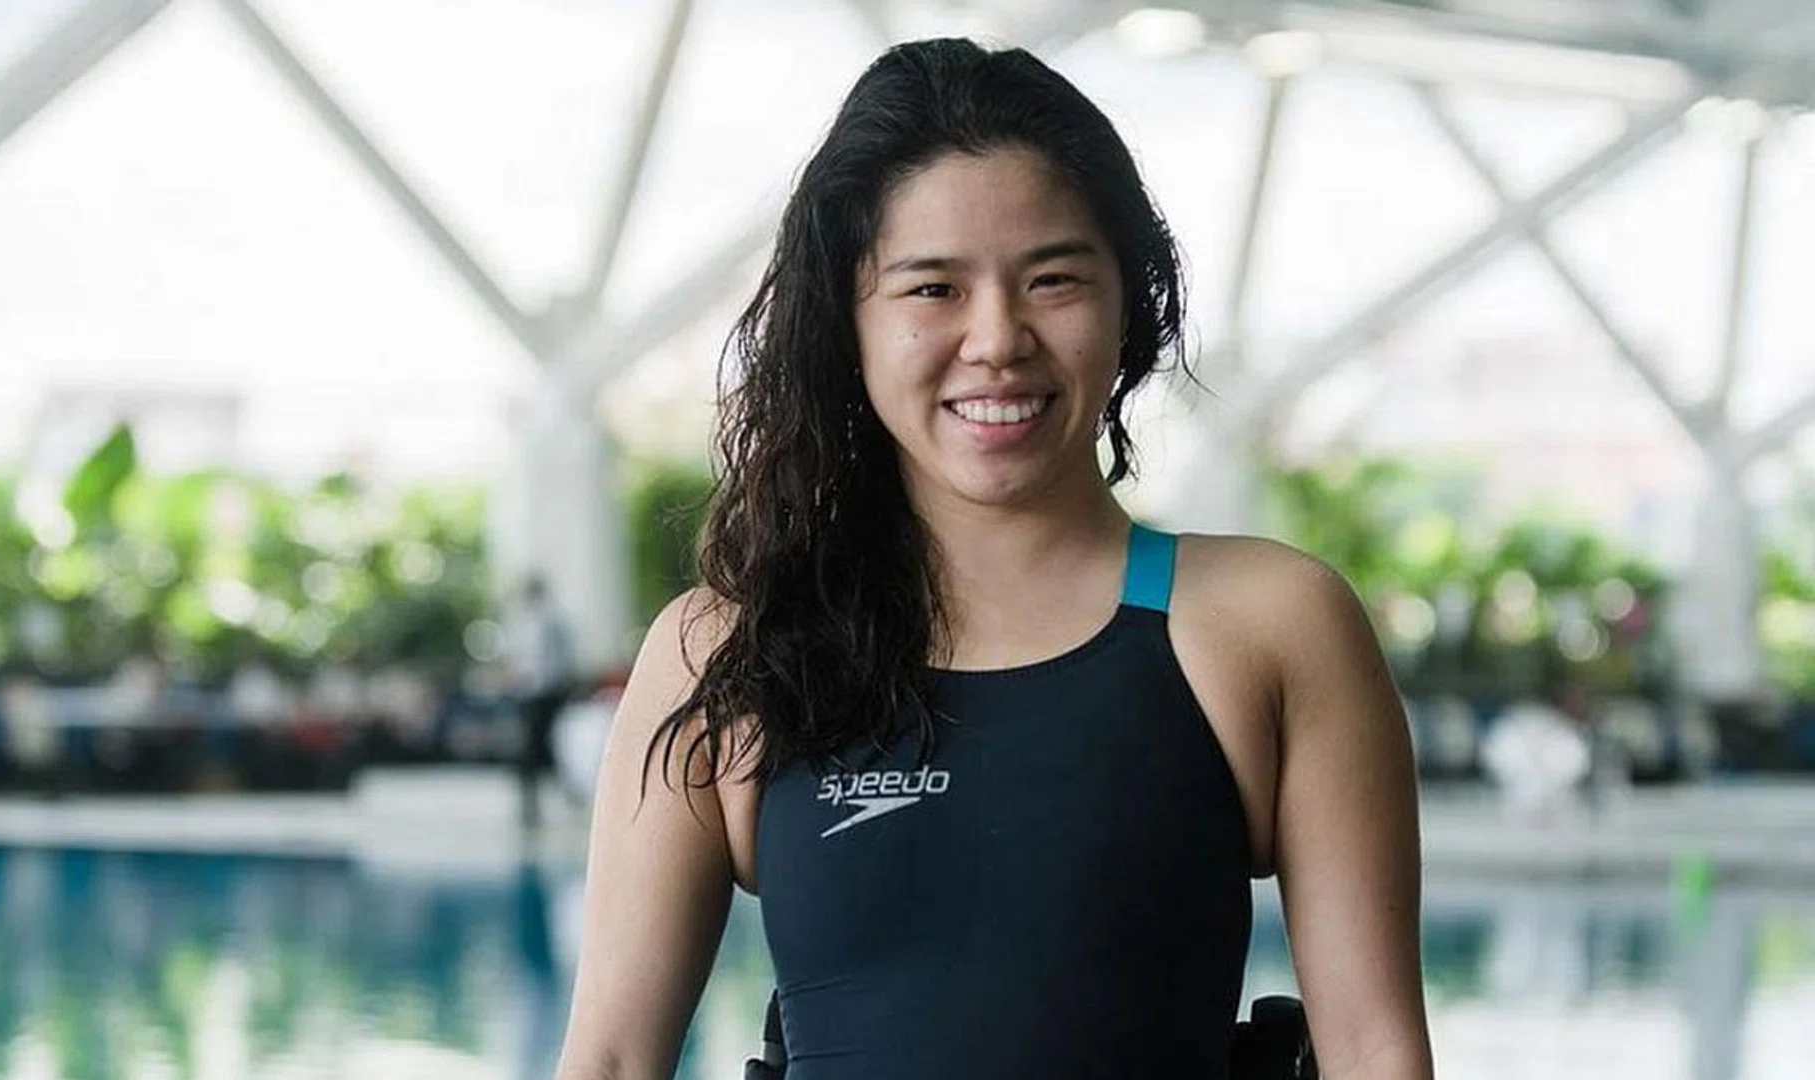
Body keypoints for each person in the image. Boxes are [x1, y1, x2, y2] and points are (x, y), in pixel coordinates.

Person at [555, 38, 1432, 1080]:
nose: (998, 338)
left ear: (1129, 301)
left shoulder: (1270, 625)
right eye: (933, 290)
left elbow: (1377, 1051)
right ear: (850, 322)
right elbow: (610, 1057)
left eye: (1052, 279)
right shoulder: (728, 652)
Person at [500, 575, 575, 810]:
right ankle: (535, 789)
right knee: (535, 741)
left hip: (545, 691)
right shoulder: (524, 622)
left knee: (542, 741)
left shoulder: (550, 622)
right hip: (531, 691)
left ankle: (551, 786)